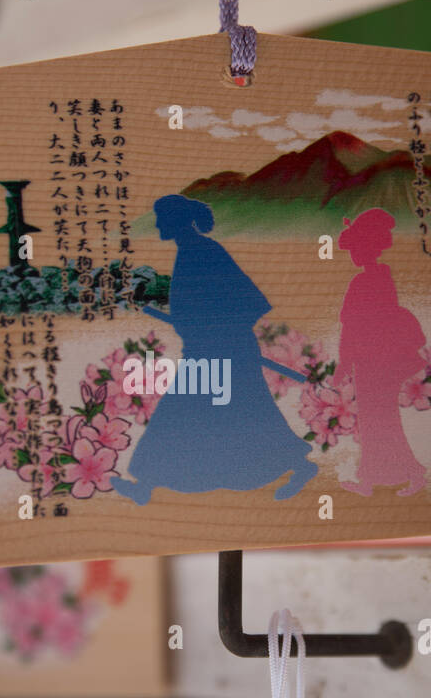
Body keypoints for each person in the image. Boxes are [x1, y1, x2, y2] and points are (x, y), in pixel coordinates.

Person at [113, 195, 317, 504]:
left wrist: (214, 328)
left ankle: (145, 485)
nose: (157, 224)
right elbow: (194, 310)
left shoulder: (204, 251)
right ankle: (145, 485)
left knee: (212, 411)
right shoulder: (190, 252)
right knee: (223, 411)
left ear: (175, 221)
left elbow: (249, 302)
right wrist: (195, 324)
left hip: (225, 350)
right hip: (208, 349)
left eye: (161, 218)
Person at [335, 208, 428, 496]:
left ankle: (412, 474)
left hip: (374, 363)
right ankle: (370, 481)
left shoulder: (366, 281)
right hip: (374, 362)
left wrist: (344, 363)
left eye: (356, 248)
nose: (353, 255)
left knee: (380, 421)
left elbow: (354, 327)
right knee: (376, 421)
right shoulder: (380, 276)